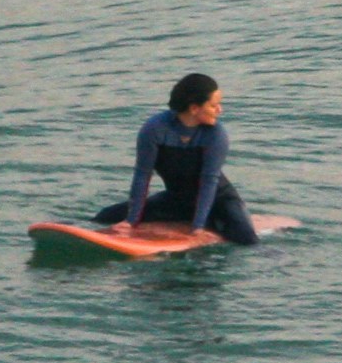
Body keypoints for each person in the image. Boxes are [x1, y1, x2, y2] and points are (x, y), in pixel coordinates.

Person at [97, 71, 259, 245]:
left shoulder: (216, 135)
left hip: (218, 201)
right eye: (214, 105)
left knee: (247, 239)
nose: (220, 110)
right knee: (106, 216)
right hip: (177, 201)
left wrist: (197, 227)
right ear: (194, 108)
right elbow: (143, 176)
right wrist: (130, 221)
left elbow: (209, 181)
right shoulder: (154, 130)